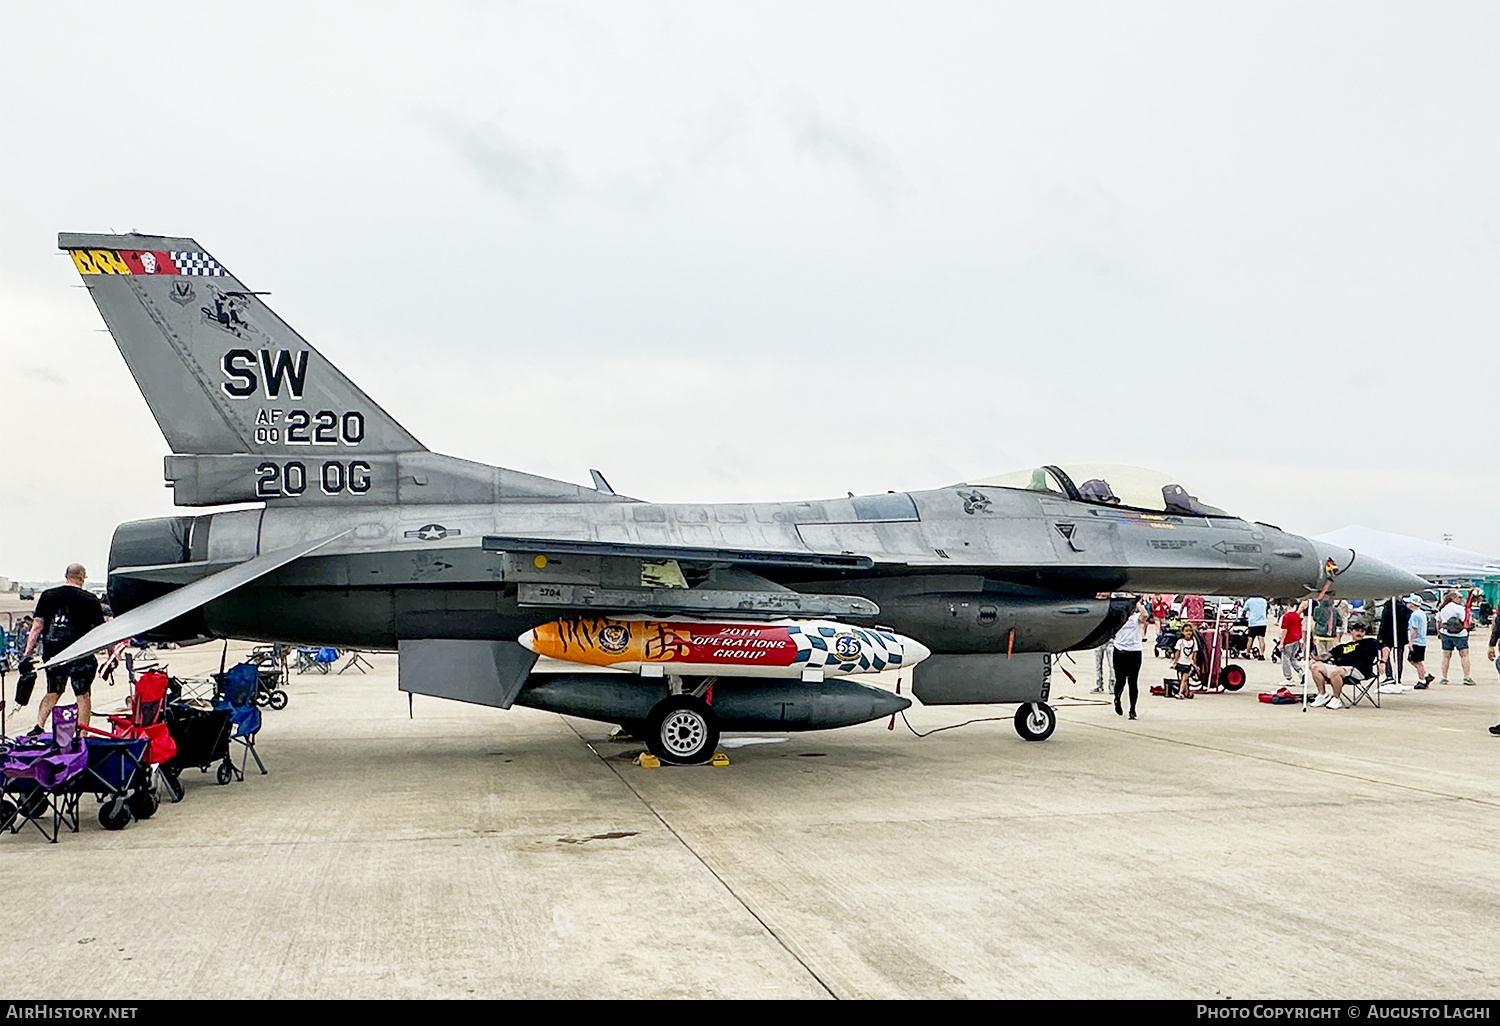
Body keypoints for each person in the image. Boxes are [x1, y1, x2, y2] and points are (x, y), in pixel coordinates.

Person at [18, 564, 105, 734]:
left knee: (53, 691)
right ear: (82, 578)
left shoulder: (48, 596)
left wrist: (27, 654)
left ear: (66, 575)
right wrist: (111, 655)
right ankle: (82, 734)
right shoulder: (90, 600)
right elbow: (102, 631)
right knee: (83, 695)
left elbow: (37, 626)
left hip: (54, 653)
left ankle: (39, 726)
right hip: (81, 654)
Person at [1307, 621, 1380, 710]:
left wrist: (1383, 662)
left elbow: (1385, 647)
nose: (1359, 633)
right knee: (1315, 667)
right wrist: (1314, 659)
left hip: (1359, 670)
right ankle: (1322, 695)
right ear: (1351, 631)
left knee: (1336, 672)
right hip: (1341, 668)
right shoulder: (1342, 647)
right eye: (1357, 630)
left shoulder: (1370, 642)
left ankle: (1336, 698)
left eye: (1362, 631)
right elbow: (1327, 655)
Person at [1111, 597, 1148, 719]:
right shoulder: (1118, 618)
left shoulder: (1136, 617)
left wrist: (1137, 603)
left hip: (1134, 651)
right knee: (1120, 680)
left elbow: (1145, 615)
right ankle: (1117, 698)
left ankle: (1132, 709)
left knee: (1133, 681)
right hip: (1120, 650)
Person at [1435, 590, 1475, 686]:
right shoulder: (1459, 609)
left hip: (1445, 633)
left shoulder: (1442, 608)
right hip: (1460, 634)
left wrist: (1439, 633)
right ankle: (1466, 677)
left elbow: (1438, 621)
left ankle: (1444, 677)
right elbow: (1465, 620)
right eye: (1459, 597)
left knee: (1446, 656)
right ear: (1453, 598)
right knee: (1464, 655)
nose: (1461, 599)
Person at [1405, 595, 1433, 689]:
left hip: (1417, 641)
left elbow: (1414, 629)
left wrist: (1411, 642)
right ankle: (1425, 675)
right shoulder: (1422, 613)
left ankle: (1422, 680)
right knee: (1414, 660)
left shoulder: (1415, 615)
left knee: (1416, 661)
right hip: (1422, 640)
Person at [1279, 599, 1305, 682]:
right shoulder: (1297, 616)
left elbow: (1284, 630)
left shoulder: (1286, 616)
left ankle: (1288, 678)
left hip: (1289, 639)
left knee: (1285, 659)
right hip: (1296, 639)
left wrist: (1281, 643)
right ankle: (1300, 670)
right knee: (1292, 658)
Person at [1173, 622, 1198, 699]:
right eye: (1186, 631)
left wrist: (1194, 664)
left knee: (1184, 678)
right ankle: (1186, 692)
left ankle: (1180, 692)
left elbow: (1194, 653)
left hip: (1188, 663)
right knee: (1183, 679)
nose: (1188, 633)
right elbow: (1177, 652)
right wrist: (1175, 661)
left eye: (1190, 631)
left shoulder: (1193, 642)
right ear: (1182, 632)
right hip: (1181, 662)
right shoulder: (1180, 641)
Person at [1242, 595, 1269, 659]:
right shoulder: (1264, 601)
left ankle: (1247, 653)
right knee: (1261, 639)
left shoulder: (1249, 601)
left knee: (1250, 639)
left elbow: (1244, 609)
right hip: (1262, 622)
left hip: (1253, 622)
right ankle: (1261, 654)